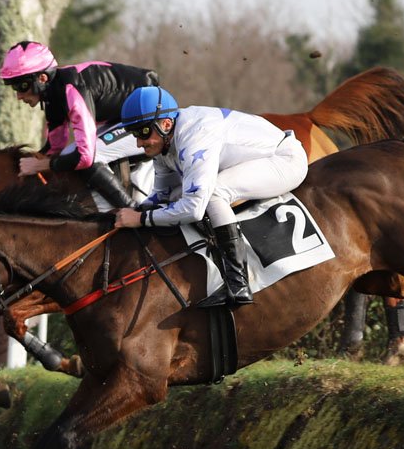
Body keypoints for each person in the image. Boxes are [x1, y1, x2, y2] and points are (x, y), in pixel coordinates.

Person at [112, 86, 309, 307]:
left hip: (285, 160)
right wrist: (134, 211)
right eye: (135, 134)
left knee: (214, 192)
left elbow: (194, 209)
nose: (139, 142)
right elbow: (163, 195)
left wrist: (140, 220)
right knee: (184, 194)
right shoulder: (163, 144)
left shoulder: (194, 135)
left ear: (166, 124)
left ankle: (238, 284)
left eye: (144, 133)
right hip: (258, 160)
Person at [0, 40, 159, 208]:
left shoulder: (72, 90)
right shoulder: (52, 95)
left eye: (21, 86)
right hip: (126, 117)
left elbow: (85, 157)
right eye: (13, 87)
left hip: (151, 115)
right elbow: (55, 148)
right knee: (68, 154)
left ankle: (132, 211)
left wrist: (41, 165)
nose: (18, 96)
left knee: (88, 157)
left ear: (42, 78)